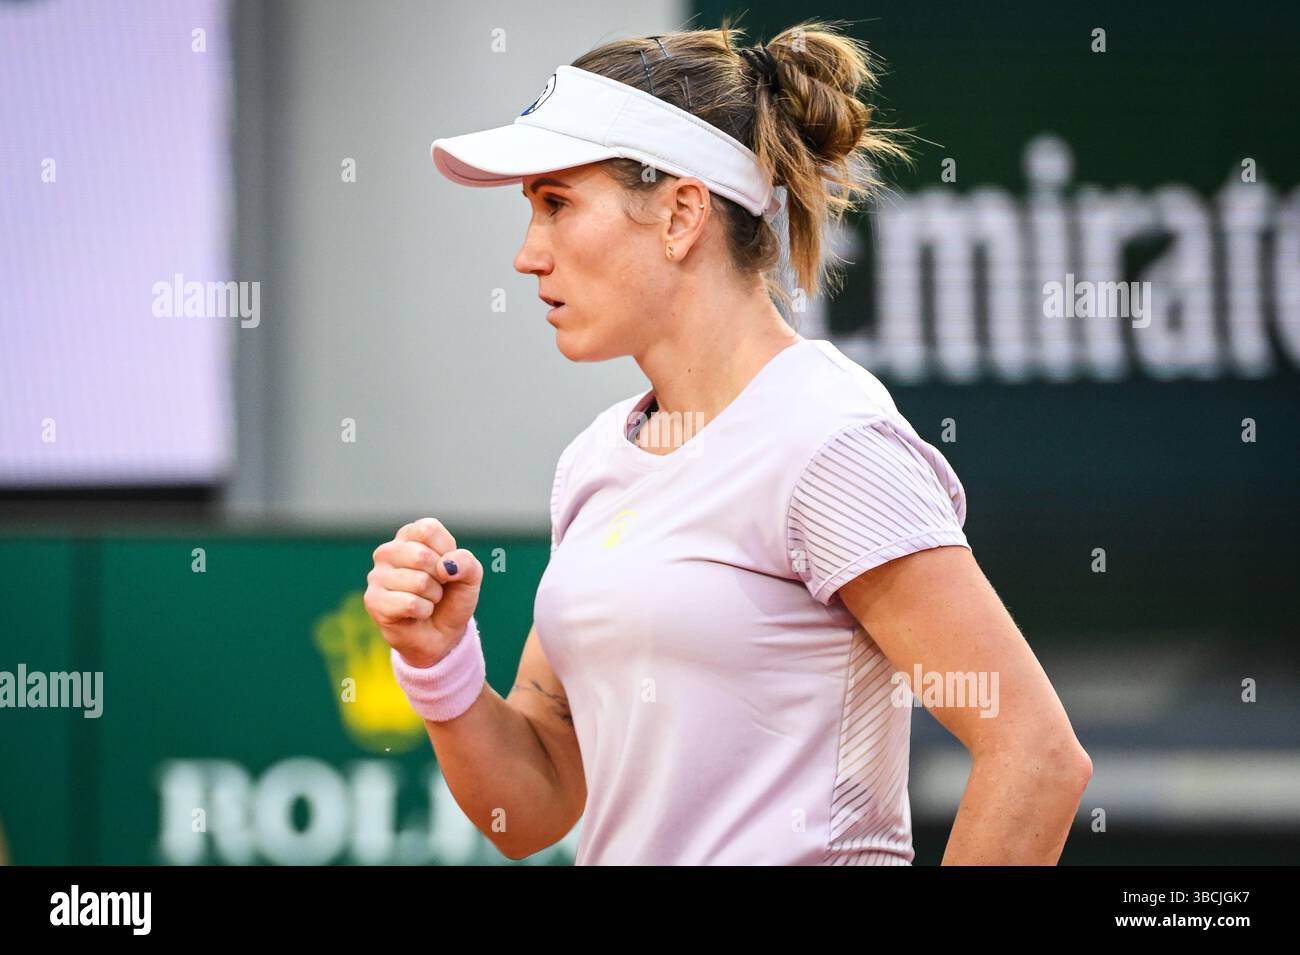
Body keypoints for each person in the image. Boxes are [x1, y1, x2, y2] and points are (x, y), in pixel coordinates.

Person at [364, 19, 1091, 865]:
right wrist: (440, 662)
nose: (529, 254)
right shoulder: (595, 460)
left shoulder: (830, 439)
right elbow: (535, 806)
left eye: (556, 203)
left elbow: (1036, 755)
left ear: (680, 213)